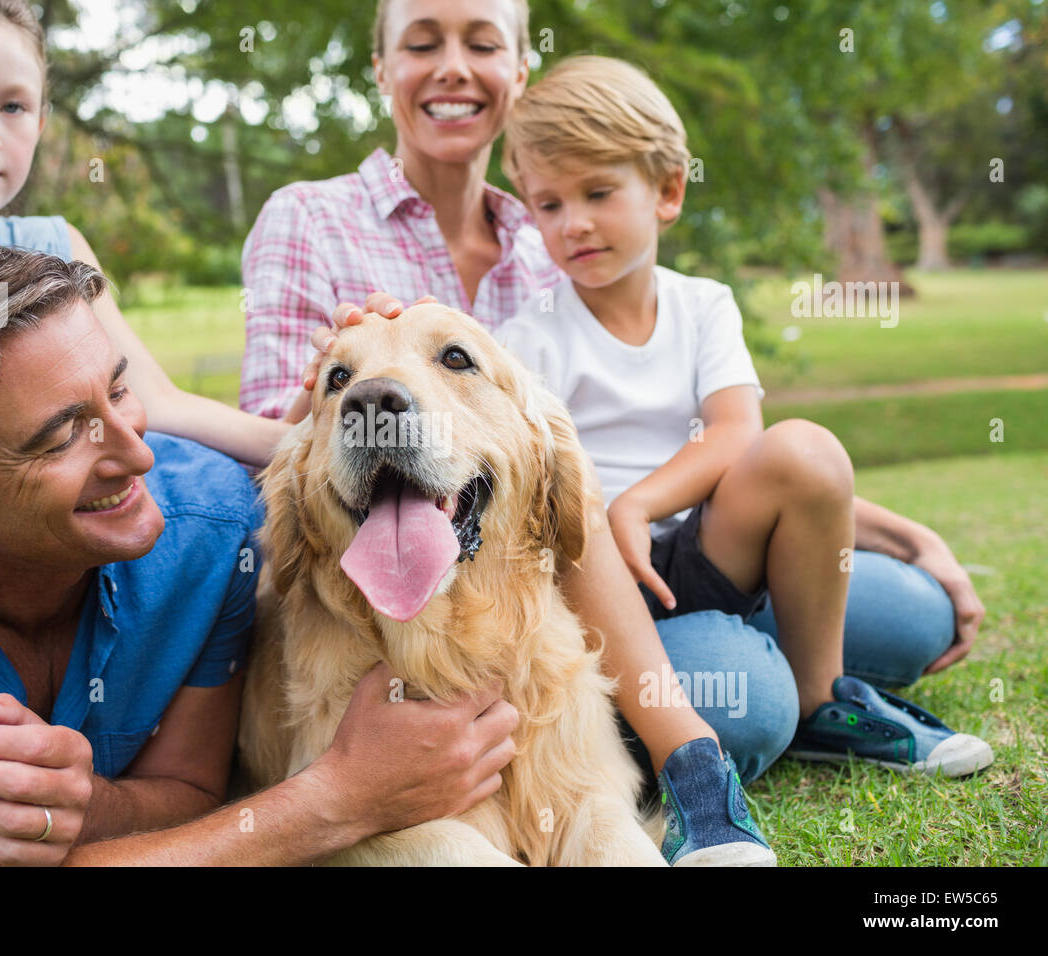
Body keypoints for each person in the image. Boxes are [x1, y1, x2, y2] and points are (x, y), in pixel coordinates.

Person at [240, 0, 988, 865]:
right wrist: (330, 389)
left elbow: (703, 440)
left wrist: (897, 529)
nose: (452, 66)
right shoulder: (313, 216)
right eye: (420, 42)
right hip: (590, 572)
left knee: (918, 618)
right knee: (745, 696)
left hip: (664, 541)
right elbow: (285, 441)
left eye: (481, 42)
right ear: (380, 67)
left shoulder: (547, 240)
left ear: (519, 70)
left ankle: (793, 670)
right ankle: (708, 714)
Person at [0, 238, 519, 865]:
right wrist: (339, 799)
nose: (137, 454)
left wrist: (94, 808)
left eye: (118, 392)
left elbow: (185, 791)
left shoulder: (214, 532)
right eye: (58, 435)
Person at [492, 54, 994, 861]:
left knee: (805, 449)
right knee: (738, 682)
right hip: (609, 588)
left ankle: (823, 699)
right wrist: (617, 512)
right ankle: (722, 711)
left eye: (597, 193)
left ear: (667, 190)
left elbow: (735, 436)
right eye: (548, 204)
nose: (572, 223)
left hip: (705, 546)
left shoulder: (702, 305)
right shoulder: (530, 335)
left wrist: (643, 502)